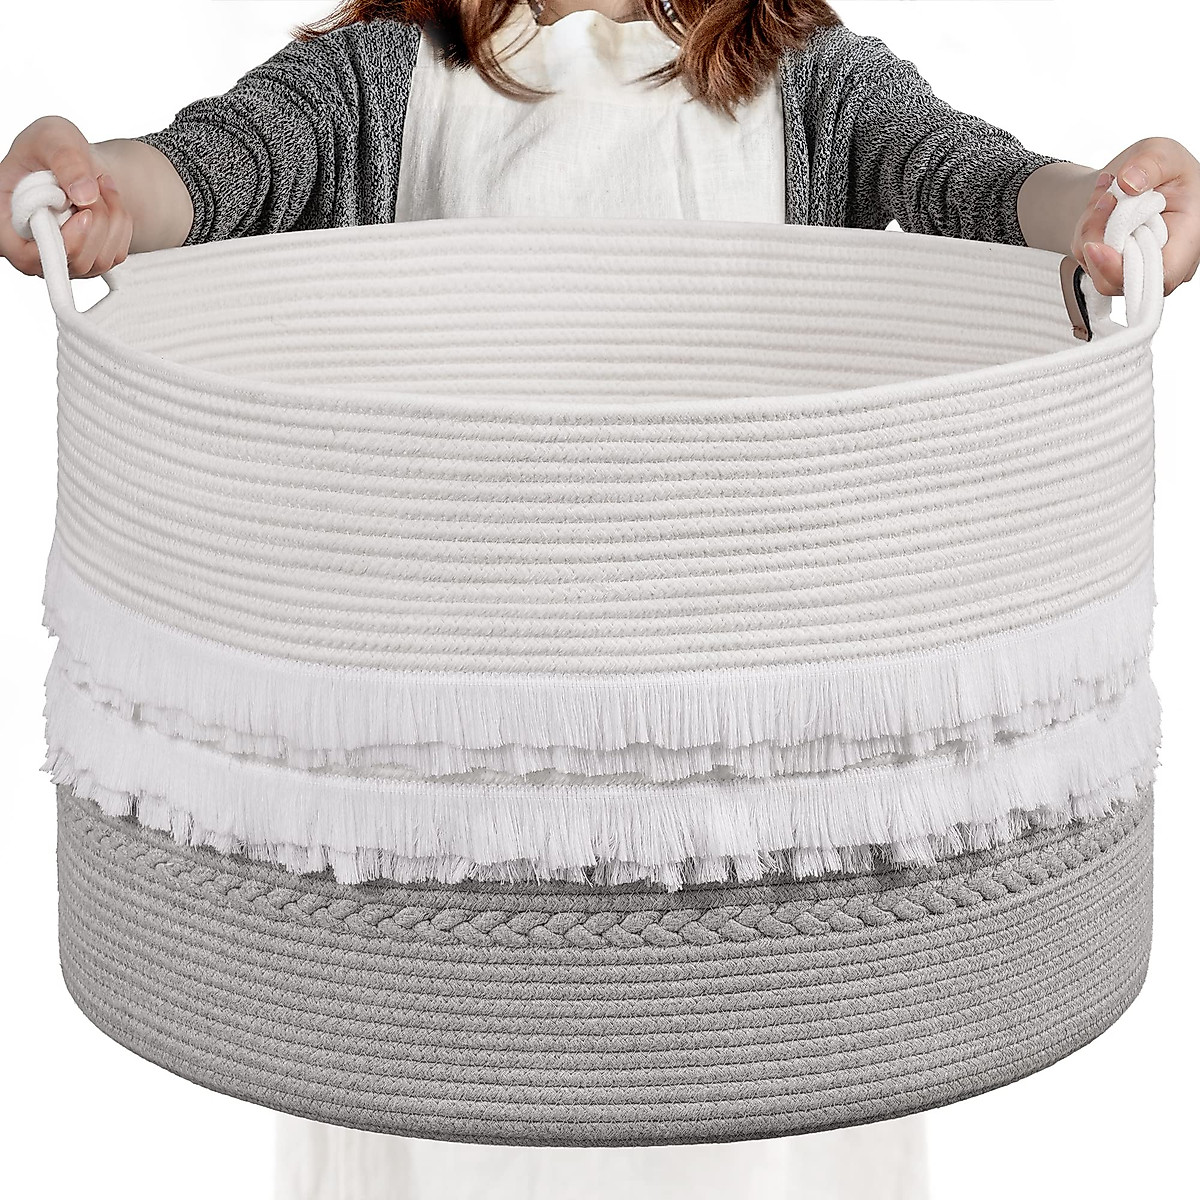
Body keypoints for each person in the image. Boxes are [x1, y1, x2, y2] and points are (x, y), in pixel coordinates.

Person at [2, 3, 1196, 1199]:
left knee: (772, 1136)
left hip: (764, 872)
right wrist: (98, 188)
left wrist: (1101, 209)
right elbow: (210, 170)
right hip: (441, 863)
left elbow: (975, 181)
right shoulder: (377, 76)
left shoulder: (814, 81)